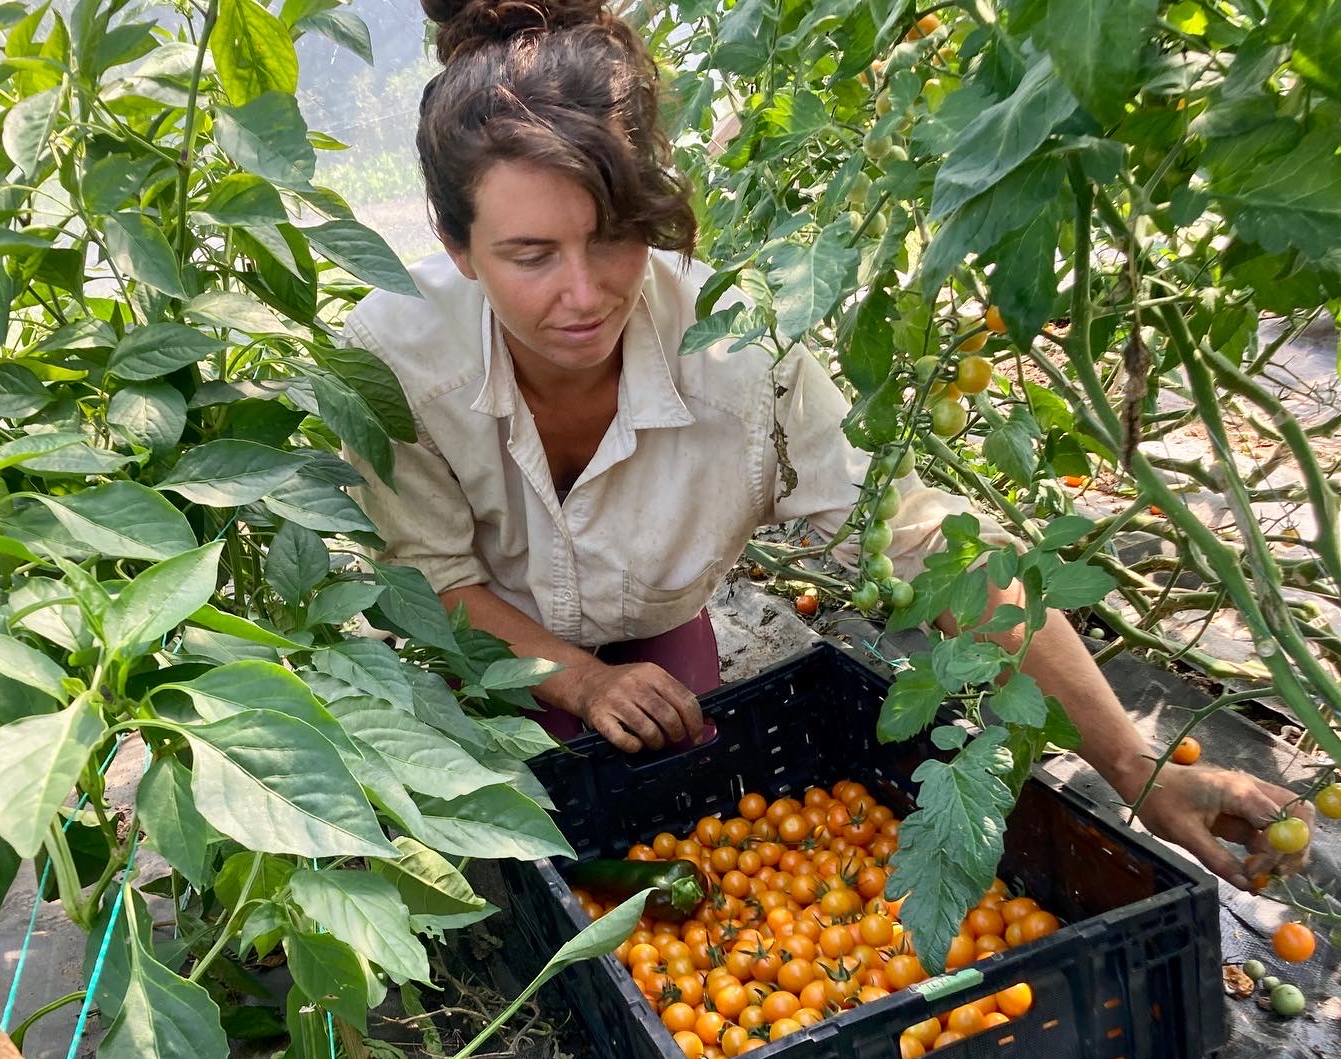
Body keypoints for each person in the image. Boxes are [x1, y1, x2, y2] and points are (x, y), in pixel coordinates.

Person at [339, 0, 1312, 891]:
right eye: (531, 255)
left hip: (654, 617)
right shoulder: (398, 360)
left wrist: (1135, 770)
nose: (585, 294)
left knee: (672, 791)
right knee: (530, 832)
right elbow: (430, 581)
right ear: (456, 244)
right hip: (486, 633)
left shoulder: (739, 358)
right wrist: (584, 679)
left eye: (614, 238)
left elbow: (936, 550)